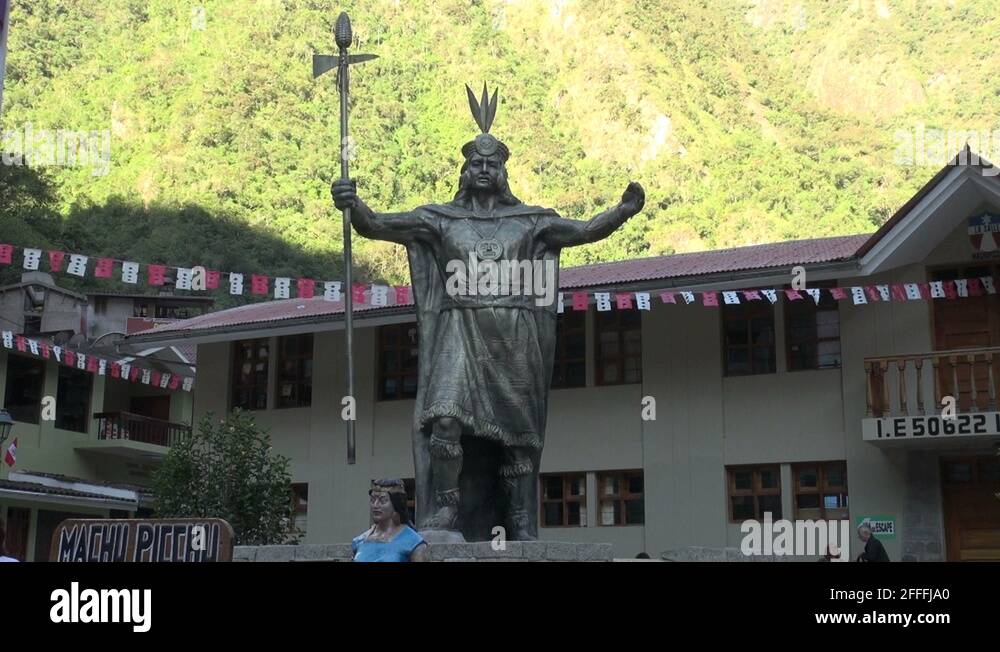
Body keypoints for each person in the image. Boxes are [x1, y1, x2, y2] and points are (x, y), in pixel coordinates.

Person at [331, 85, 645, 540]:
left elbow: (583, 232)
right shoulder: (439, 220)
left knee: (516, 434)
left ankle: (518, 517)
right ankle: (445, 509)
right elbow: (377, 224)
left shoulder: (533, 221)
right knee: (445, 418)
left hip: (514, 336)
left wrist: (622, 211)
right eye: (476, 163)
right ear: (464, 169)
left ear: (502, 171)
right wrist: (352, 201)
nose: (483, 169)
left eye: (492, 164)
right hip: (460, 330)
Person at [352, 479, 429, 562]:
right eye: (373, 500)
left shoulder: (413, 542)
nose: (375, 505)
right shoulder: (360, 541)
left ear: (396, 504)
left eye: (383, 500)